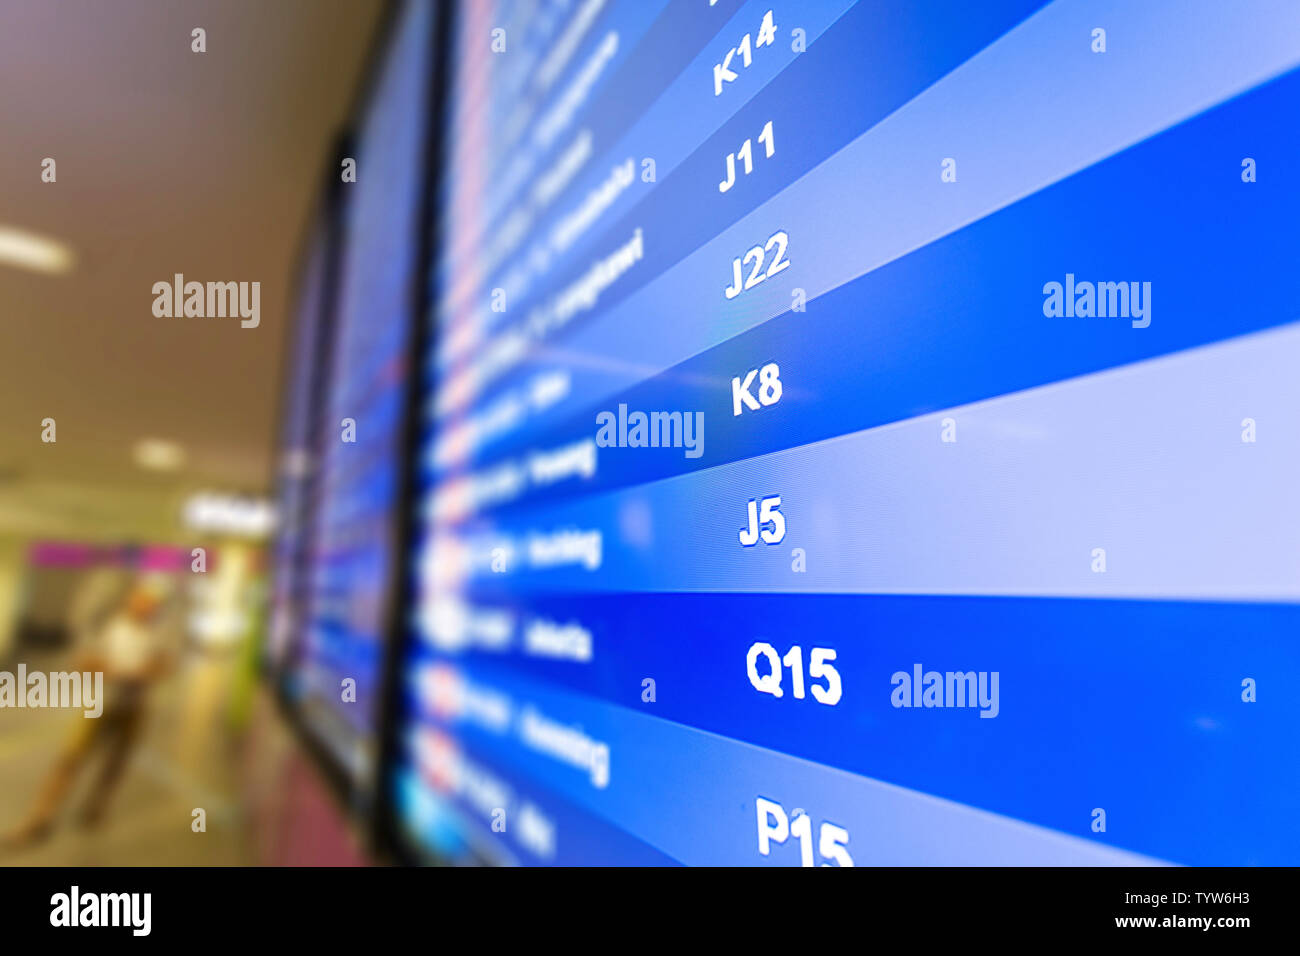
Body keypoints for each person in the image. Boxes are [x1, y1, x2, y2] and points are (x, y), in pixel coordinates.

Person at [2, 577, 174, 848]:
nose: (147, 608)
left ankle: (96, 807)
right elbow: (83, 661)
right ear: (130, 600)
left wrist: (142, 672)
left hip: (134, 707)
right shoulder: (108, 627)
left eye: (152, 604)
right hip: (99, 704)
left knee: (116, 762)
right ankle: (40, 818)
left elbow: (163, 666)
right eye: (143, 601)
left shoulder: (157, 634)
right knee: (70, 759)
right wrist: (117, 672)